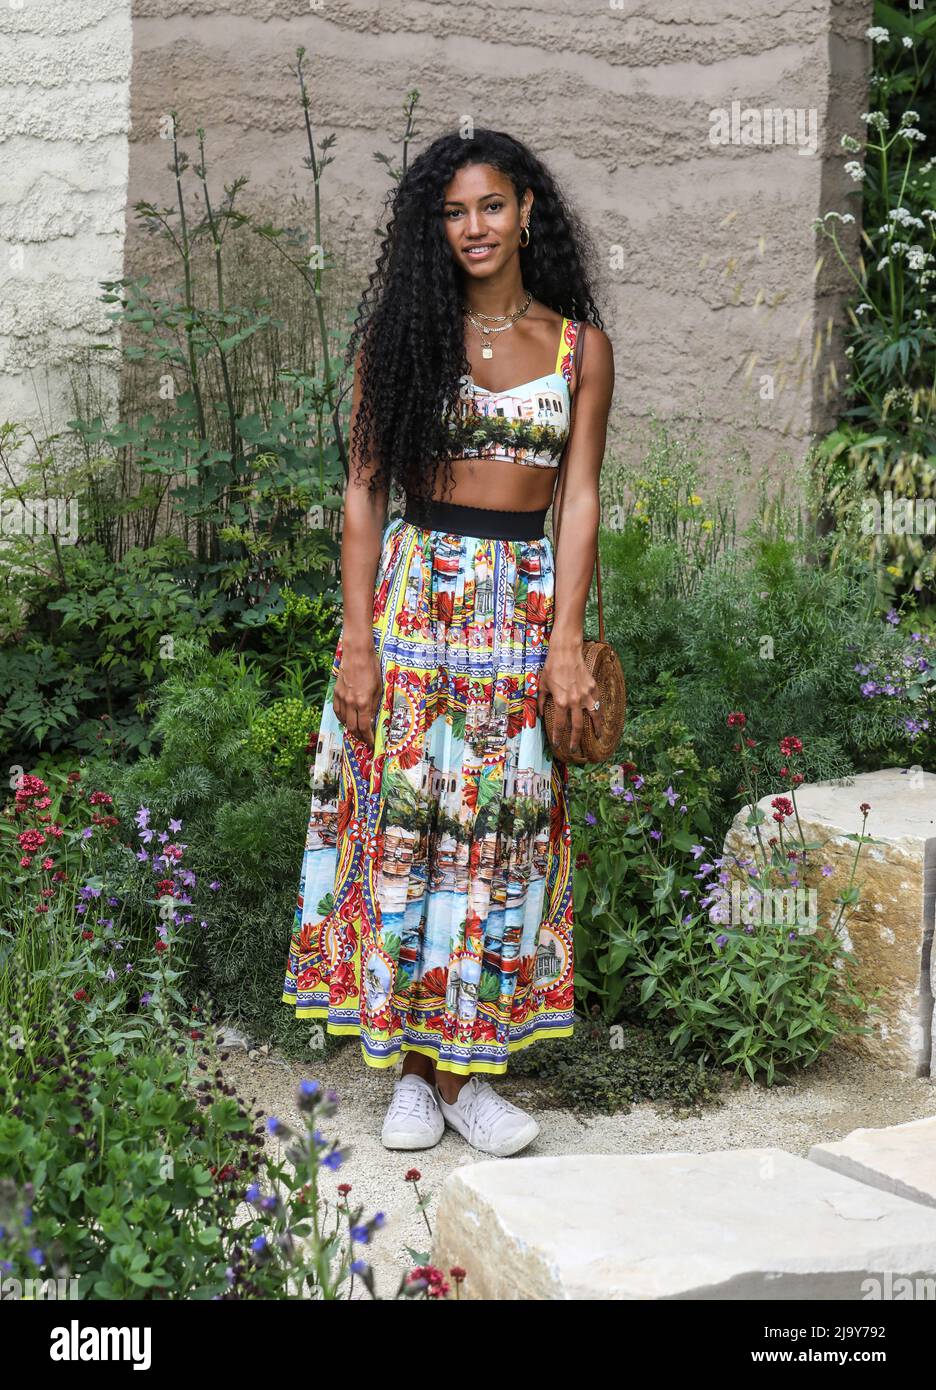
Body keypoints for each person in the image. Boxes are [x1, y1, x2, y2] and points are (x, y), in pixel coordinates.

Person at [281, 127, 614, 1158]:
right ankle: (413, 1076)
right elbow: (363, 493)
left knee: (499, 837)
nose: (475, 227)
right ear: (442, 227)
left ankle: (474, 1077)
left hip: (517, 613)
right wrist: (356, 640)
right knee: (410, 830)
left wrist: (565, 639)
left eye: (492, 206)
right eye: (455, 212)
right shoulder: (400, 339)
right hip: (416, 604)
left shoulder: (579, 348)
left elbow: (584, 499)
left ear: (527, 213)